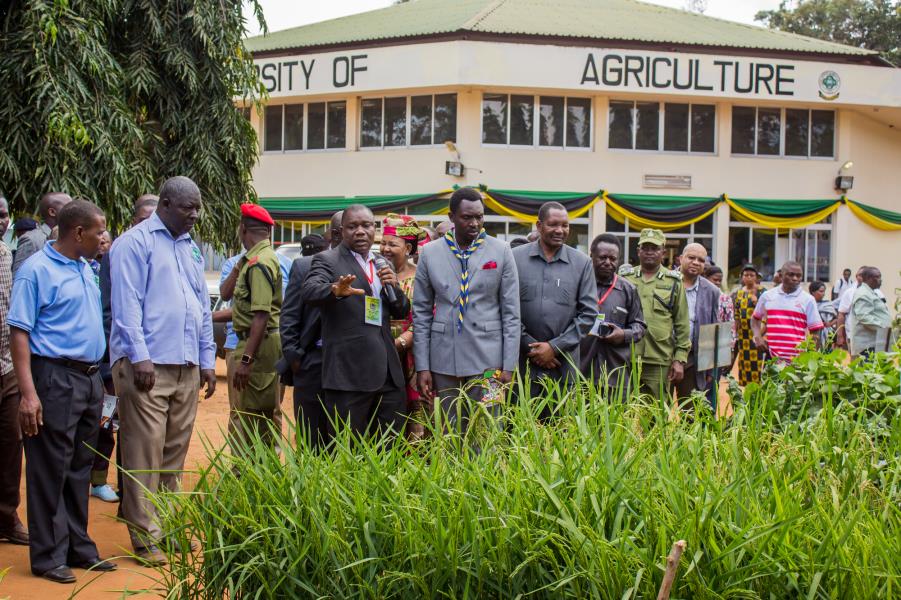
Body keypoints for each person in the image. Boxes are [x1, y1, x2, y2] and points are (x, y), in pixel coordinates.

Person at [110, 176, 216, 565]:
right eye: (188, 207)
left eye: (198, 208)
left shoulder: (190, 247)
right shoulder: (134, 243)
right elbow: (127, 305)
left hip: (186, 365)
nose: (195, 214)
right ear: (166, 204)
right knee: (144, 451)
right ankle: (144, 536)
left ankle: (166, 526)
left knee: (174, 453)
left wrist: (207, 358)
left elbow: (201, 306)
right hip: (148, 367)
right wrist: (140, 357)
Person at [8, 200, 116, 583]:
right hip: (54, 377)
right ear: (78, 233)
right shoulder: (36, 271)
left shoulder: (85, 267)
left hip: (88, 380)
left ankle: (77, 547)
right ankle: (48, 556)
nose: (104, 238)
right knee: (50, 467)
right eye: (99, 231)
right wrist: (28, 394)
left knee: (79, 467)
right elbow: (19, 332)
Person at [413, 188, 520, 431]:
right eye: (467, 217)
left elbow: (512, 313)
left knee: (488, 429)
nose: (475, 223)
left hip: (490, 362)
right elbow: (421, 313)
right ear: (451, 217)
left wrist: (509, 366)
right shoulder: (430, 253)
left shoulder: (501, 251)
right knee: (448, 430)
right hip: (443, 359)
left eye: (479, 217)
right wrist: (422, 366)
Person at [300, 205, 409, 439]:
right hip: (349, 375)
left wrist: (395, 288)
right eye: (352, 226)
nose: (360, 231)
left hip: (388, 373)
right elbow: (309, 291)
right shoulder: (327, 260)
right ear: (342, 231)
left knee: (390, 447)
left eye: (366, 225)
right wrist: (334, 290)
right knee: (348, 448)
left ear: (374, 229)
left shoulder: (382, 263)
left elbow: (400, 310)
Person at [95, 195, 158, 504]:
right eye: (144, 219)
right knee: (115, 425)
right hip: (123, 360)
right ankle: (114, 488)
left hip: (156, 360)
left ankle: (137, 497)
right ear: (134, 221)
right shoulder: (118, 253)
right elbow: (110, 311)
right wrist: (111, 364)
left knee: (143, 433)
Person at [512, 202, 596, 414]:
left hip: (563, 366)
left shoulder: (582, 263)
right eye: (553, 224)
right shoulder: (514, 258)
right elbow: (506, 309)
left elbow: (588, 314)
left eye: (565, 225)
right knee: (520, 425)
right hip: (522, 366)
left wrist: (554, 347)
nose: (560, 230)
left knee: (562, 428)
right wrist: (532, 347)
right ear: (539, 226)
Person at [220, 204, 283, 450]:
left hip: (258, 346)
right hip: (255, 342)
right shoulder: (251, 260)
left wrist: (246, 360)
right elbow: (225, 293)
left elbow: (261, 315)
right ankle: (249, 467)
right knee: (248, 411)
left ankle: (254, 468)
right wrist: (239, 265)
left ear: (243, 228)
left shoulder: (259, 263)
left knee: (254, 416)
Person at [279, 224, 333, 450]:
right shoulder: (304, 266)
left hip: (351, 364)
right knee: (311, 438)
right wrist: (293, 355)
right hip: (312, 361)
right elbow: (290, 313)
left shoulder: (369, 267)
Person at [619, 229, 690, 400]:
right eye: (645, 248)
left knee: (657, 410)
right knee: (622, 406)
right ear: (638, 251)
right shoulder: (625, 278)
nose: (649, 252)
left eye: (655, 248)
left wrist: (679, 359)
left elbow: (682, 323)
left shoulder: (673, 282)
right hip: (626, 355)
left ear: (663, 252)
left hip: (659, 359)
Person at [379, 214, 429, 439]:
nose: (385, 249)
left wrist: (399, 343)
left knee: (415, 420)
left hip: (411, 358)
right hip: (379, 355)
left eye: (392, 244)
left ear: (408, 248)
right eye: (383, 243)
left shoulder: (421, 278)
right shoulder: (374, 274)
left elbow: (426, 318)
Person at [579, 233, 646, 395]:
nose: (608, 262)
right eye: (602, 257)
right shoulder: (579, 284)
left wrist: (623, 335)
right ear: (591, 256)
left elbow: (640, 326)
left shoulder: (628, 290)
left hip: (615, 374)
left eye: (613, 259)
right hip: (580, 371)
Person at [0, 197, 28, 547]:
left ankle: (7, 517)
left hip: (7, 365)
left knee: (10, 445)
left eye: (4, 215)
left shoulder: (6, 254)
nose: (1, 221)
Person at [674, 243, 725, 402]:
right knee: (657, 407)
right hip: (663, 354)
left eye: (701, 260)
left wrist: (710, 367)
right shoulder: (666, 281)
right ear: (681, 259)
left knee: (691, 408)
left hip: (693, 358)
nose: (696, 262)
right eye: (691, 257)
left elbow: (712, 328)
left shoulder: (712, 291)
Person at [751, 261, 823, 362]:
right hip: (772, 358)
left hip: (798, 361)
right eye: (791, 275)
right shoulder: (767, 296)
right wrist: (757, 337)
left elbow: (815, 331)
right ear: (781, 276)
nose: (795, 278)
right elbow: (755, 319)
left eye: (799, 276)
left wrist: (811, 358)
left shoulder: (808, 300)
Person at [12, 192, 72, 273]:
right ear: (52, 212)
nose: (74, 211)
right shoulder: (31, 240)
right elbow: (19, 275)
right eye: (69, 207)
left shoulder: (70, 238)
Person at [835, 266, 885, 350]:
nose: (860, 278)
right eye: (859, 275)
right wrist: (840, 336)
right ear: (856, 276)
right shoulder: (849, 293)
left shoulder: (878, 293)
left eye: (863, 275)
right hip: (854, 336)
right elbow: (841, 315)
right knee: (856, 358)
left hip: (873, 336)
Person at [849, 267, 891, 358]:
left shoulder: (870, 292)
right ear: (868, 278)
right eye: (877, 277)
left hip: (874, 344)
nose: (880, 280)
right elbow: (864, 317)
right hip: (866, 347)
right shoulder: (863, 294)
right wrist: (885, 328)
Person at [809, 281, 837, 350]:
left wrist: (830, 323)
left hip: (826, 335)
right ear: (813, 292)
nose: (823, 294)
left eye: (824, 291)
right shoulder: (808, 304)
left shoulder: (828, 305)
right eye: (821, 291)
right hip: (811, 334)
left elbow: (836, 318)